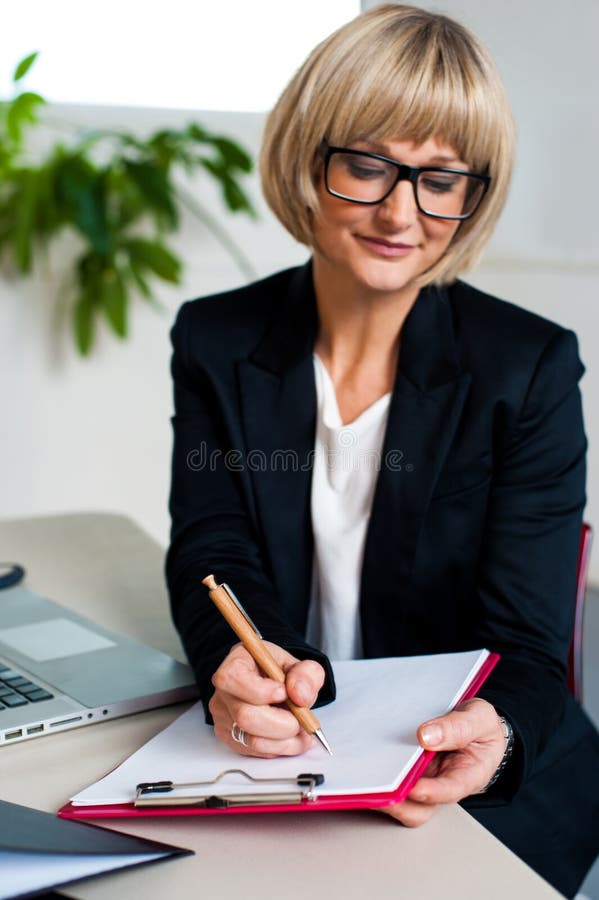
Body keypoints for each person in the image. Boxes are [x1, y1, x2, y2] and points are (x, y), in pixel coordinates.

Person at [166, 5, 599, 896]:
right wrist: (243, 666)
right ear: (307, 156)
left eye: (441, 180)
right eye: (368, 166)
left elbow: (525, 641)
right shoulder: (215, 339)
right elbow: (213, 551)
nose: (402, 212)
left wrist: (495, 736)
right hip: (292, 764)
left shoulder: (528, 369)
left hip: (470, 787)